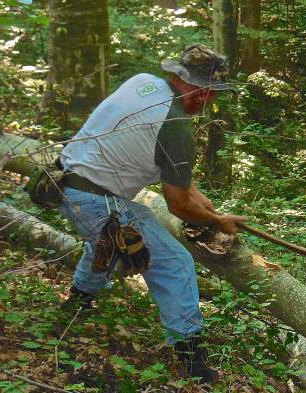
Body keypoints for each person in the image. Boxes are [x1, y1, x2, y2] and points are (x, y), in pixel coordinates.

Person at [56, 44, 246, 383]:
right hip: (94, 199)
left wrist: (206, 204)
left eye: (211, 91)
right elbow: (178, 205)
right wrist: (217, 222)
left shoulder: (143, 83)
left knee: (106, 241)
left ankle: (75, 306)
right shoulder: (175, 126)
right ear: (178, 76)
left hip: (64, 184)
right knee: (175, 263)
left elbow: (175, 177)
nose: (205, 98)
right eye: (199, 88)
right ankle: (192, 360)